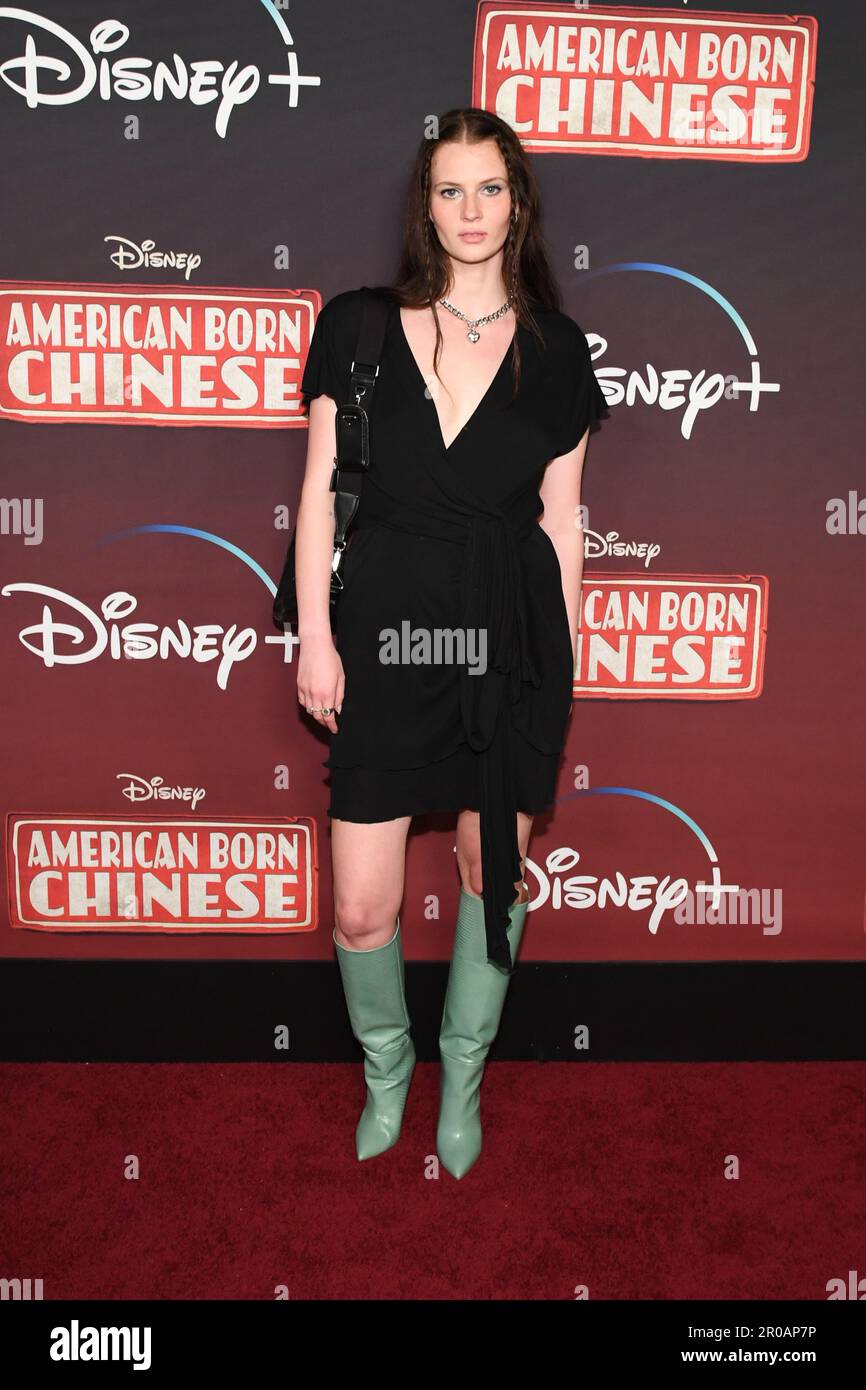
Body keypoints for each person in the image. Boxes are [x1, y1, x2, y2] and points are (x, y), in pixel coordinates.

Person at [293, 107, 609, 1179]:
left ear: (516, 204)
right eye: (447, 190)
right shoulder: (356, 325)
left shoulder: (560, 350)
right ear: (422, 207)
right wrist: (315, 642)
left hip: (506, 641)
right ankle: (389, 1070)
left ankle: (458, 1081)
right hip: (380, 641)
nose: (469, 211)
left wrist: (552, 668)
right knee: (359, 899)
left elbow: (561, 524)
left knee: (490, 879)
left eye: (488, 189)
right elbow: (319, 498)